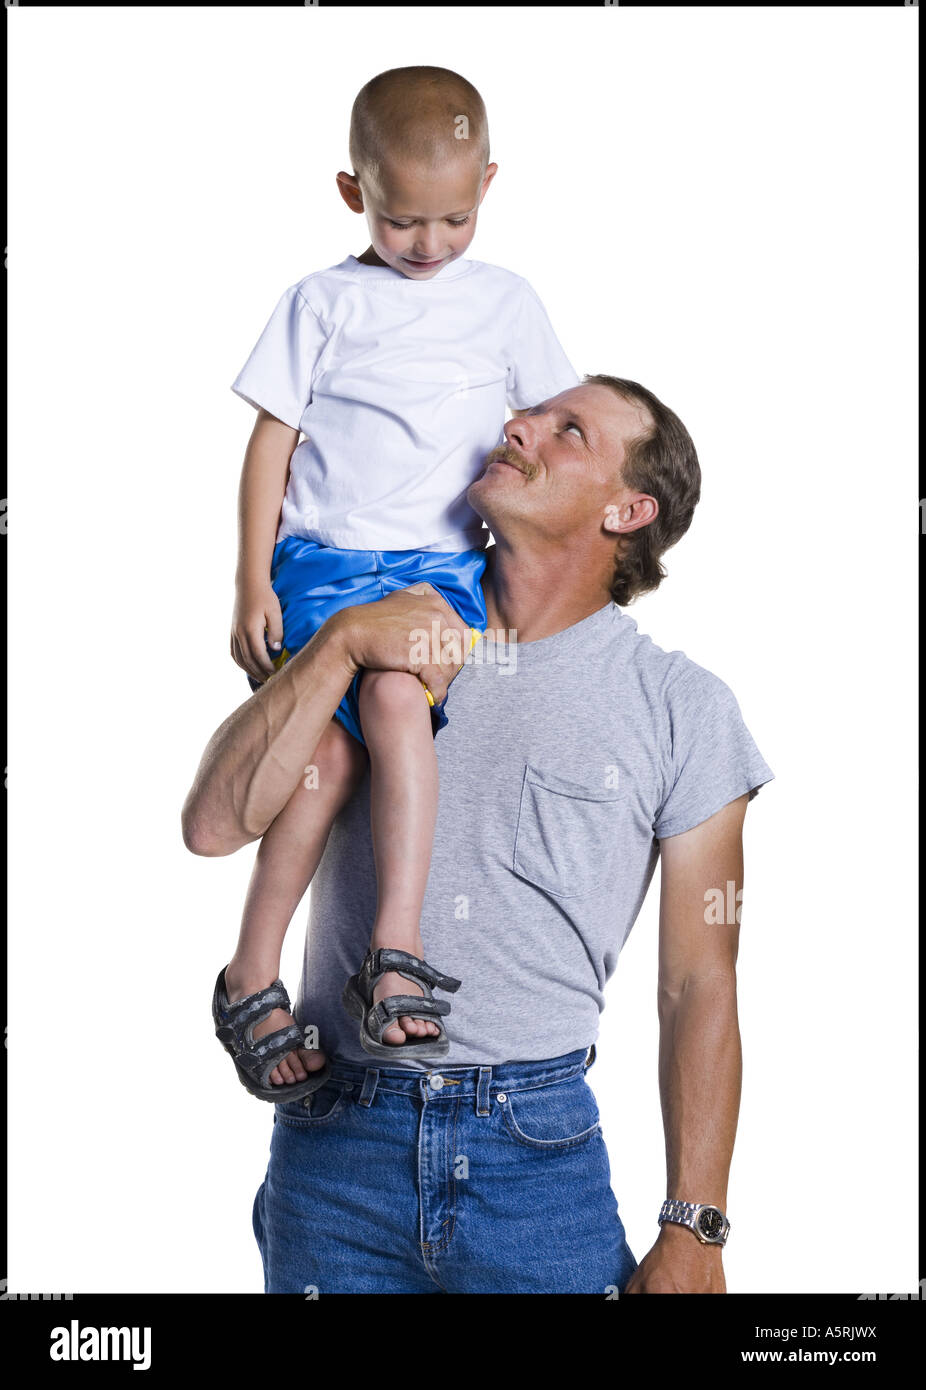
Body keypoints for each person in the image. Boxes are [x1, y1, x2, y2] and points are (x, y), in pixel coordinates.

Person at [182, 375, 775, 1294]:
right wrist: (339, 643)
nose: (520, 424)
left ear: (629, 509)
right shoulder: (378, 621)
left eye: (567, 429)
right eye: (532, 411)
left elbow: (700, 981)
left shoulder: (682, 709)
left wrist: (696, 1226)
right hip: (334, 1147)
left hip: (534, 1159)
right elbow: (214, 825)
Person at [219, 65, 579, 1100]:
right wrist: (250, 579)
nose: (428, 243)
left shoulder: (506, 302)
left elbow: (551, 432)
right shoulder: (320, 301)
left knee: (394, 708)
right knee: (320, 761)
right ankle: (252, 969)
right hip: (322, 563)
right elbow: (269, 442)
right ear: (352, 193)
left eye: (454, 218)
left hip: (435, 571)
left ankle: (394, 947)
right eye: (401, 219)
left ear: (490, 184)